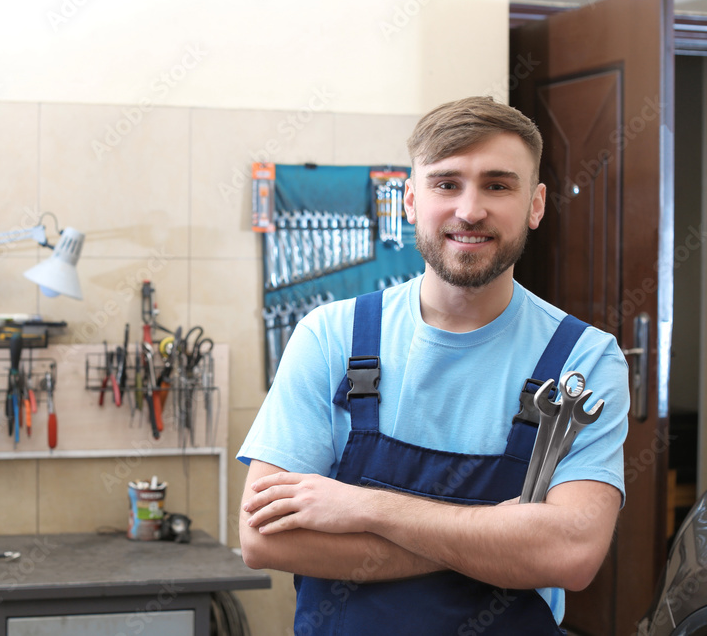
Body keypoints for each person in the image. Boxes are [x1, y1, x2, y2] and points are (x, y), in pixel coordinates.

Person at [238, 96, 628, 635]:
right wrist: (501, 537)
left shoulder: (583, 359)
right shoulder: (330, 336)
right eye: (446, 184)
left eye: (498, 184)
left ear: (536, 204)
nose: (469, 210)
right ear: (410, 201)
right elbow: (264, 539)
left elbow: (571, 555)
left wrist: (368, 510)